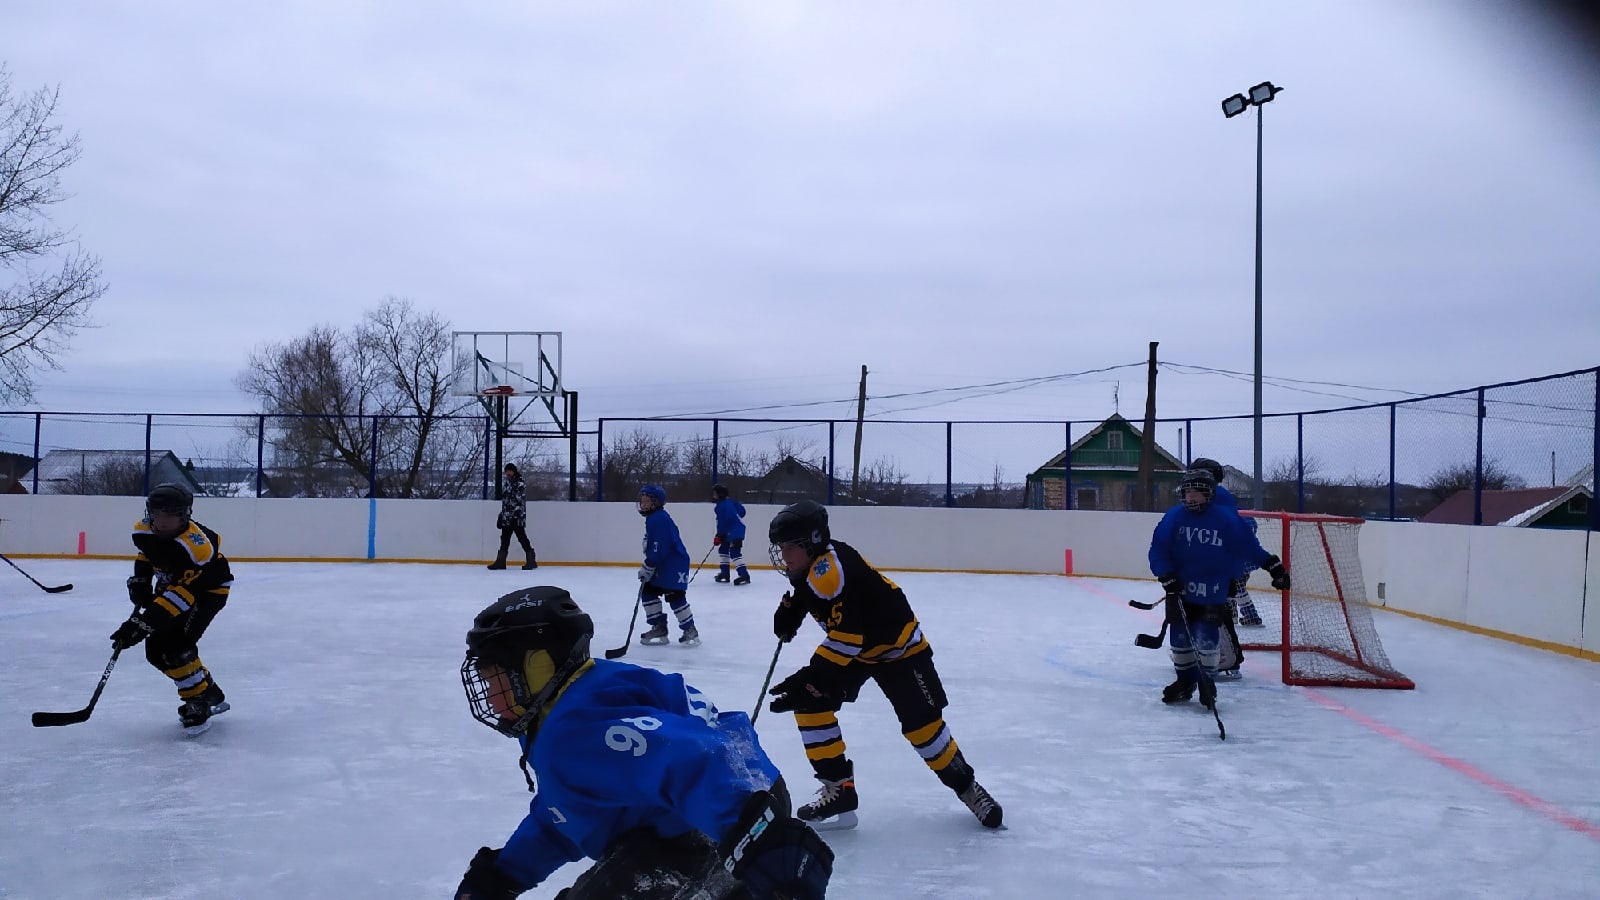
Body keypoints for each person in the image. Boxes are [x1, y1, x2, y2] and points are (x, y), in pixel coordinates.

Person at [453, 585, 833, 899]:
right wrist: (507, 872)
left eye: (495, 679)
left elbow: (688, 757)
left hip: (720, 827)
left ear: (536, 667)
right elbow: (570, 811)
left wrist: (757, 839)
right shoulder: (594, 684)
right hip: (743, 803)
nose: (489, 695)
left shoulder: (570, 733)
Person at [765, 500, 1003, 831]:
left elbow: (848, 638)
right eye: (781, 546)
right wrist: (793, 611)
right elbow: (817, 602)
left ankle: (967, 786)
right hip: (860, 652)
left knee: (925, 732)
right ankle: (840, 791)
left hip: (898, 649)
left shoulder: (831, 572)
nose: (784, 554)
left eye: (791, 546)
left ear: (813, 543)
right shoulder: (810, 569)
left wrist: (812, 674)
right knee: (810, 702)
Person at [1147, 469, 1291, 709]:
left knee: (1206, 640)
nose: (1190, 497)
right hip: (1181, 591)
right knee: (1180, 640)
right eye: (1187, 492)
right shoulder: (1174, 517)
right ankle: (1184, 682)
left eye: (1196, 492)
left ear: (1209, 494)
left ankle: (1206, 682)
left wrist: (1273, 566)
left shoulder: (1225, 519)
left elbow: (1248, 547)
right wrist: (1165, 574)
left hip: (1213, 591)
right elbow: (1158, 548)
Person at [112, 482, 234, 735]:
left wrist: (142, 623)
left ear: (184, 515)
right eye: (158, 514)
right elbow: (147, 555)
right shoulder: (144, 530)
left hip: (207, 592)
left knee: (176, 646)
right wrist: (141, 582)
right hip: (174, 587)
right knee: (155, 652)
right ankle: (207, 691)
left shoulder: (196, 547)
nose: (163, 521)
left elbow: (183, 594)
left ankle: (198, 700)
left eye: (171, 515)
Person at [637, 484, 698, 646]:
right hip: (665, 563)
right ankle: (659, 627)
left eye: (646, 501)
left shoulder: (659, 519)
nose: (643, 504)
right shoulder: (654, 518)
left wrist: (648, 566)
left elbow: (660, 547)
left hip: (673, 564)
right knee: (649, 591)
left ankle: (690, 629)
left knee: (675, 596)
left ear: (656, 502)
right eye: (641, 500)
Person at [489, 463, 538, 571]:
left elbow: (518, 500)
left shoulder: (520, 483)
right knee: (504, 539)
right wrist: (501, 515)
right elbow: (505, 501)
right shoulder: (507, 483)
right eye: (506, 471)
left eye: (509, 471)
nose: (507, 473)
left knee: (522, 538)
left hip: (517, 517)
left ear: (513, 471)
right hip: (507, 517)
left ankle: (531, 560)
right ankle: (500, 562)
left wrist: (514, 515)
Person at [711, 484, 751, 586]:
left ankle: (744, 575)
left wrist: (719, 535)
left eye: (715, 493)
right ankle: (725, 574)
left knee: (734, 552)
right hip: (736, 530)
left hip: (734, 532)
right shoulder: (731, 502)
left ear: (719, 494)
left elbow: (723, 522)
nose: (713, 495)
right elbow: (742, 512)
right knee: (723, 549)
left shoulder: (720, 506)